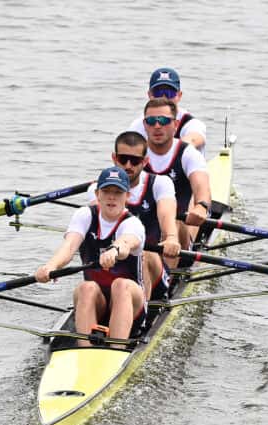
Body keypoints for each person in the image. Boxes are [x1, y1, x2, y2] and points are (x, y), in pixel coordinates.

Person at [36, 167, 146, 347]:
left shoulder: (133, 223)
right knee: (86, 288)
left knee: (121, 284)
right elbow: (70, 246)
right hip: (98, 303)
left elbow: (126, 243)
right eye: (106, 191)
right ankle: (85, 350)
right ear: (97, 194)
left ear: (127, 196)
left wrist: (114, 251)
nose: (112, 197)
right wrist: (51, 267)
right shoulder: (85, 215)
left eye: (118, 192)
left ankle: (116, 348)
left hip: (131, 305)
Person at [89, 131, 181, 300]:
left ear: (145, 161)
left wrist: (171, 237)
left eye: (136, 160)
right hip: (115, 262)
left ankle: (143, 311)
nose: (128, 165)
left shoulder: (160, 183)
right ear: (114, 158)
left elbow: (167, 215)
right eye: (123, 159)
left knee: (142, 255)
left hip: (151, 263)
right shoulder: (96, 189)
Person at [142, 97, 212, 251]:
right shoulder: (133, 156)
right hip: (142, 230)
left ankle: (168, 273)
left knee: (173, 221)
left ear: (175, 125)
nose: (157, 126)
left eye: (164, 121)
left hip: (178, 231)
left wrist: (201, 206)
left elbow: (202, 186)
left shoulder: (188, 154)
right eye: (151, 121)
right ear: (145, 125)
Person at [127, 67, 207, 154]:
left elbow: (194, 139)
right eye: (158, 93)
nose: (164, 98)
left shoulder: (191, 123)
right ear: (150, 95)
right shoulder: (138, 125)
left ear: (179, 95)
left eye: (169, 93)